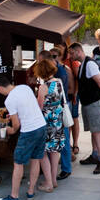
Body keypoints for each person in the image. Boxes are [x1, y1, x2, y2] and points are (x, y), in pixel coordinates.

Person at [0, 74, 46, 200]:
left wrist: (9, 130)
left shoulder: (9, 100)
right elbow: (27, 107)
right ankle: (30, 191)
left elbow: (16, 124)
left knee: (18, 162)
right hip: (41, 126)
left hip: (29, 131)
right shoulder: (25, 87)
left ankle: (14, 196)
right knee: (35, 159)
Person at [71, 41, 100, 173]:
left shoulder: (90, 64)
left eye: (72, 53)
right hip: (88, 102)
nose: (70, 56)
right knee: (94, 130)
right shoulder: (83, 65)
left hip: (95, 102)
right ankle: (95, 155)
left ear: (78, 51)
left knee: (98, 131)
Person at [30, 58, 68, 192]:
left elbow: (39, 107)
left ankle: (48, 183)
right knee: (55, 151)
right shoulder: (59, 82)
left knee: (43, 152)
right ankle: (54, 179)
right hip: (57, 119)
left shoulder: (43, 87)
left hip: (46, 121)